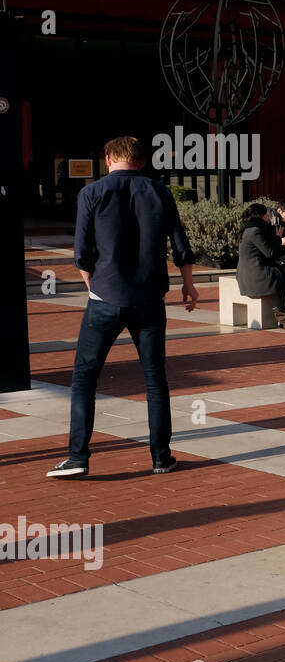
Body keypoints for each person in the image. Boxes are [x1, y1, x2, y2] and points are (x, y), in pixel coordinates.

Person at [48, 136, 199, 479]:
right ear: (142, 161)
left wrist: (93, 285)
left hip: (105, 297)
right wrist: (188, 285)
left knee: (85, 377)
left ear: (107, 158)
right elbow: (181, 244)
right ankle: (161, 457)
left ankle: (78, 457)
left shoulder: (92, 193)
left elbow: (82, 252)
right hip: (149, 299)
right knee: (155, 379)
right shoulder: (160, 192)